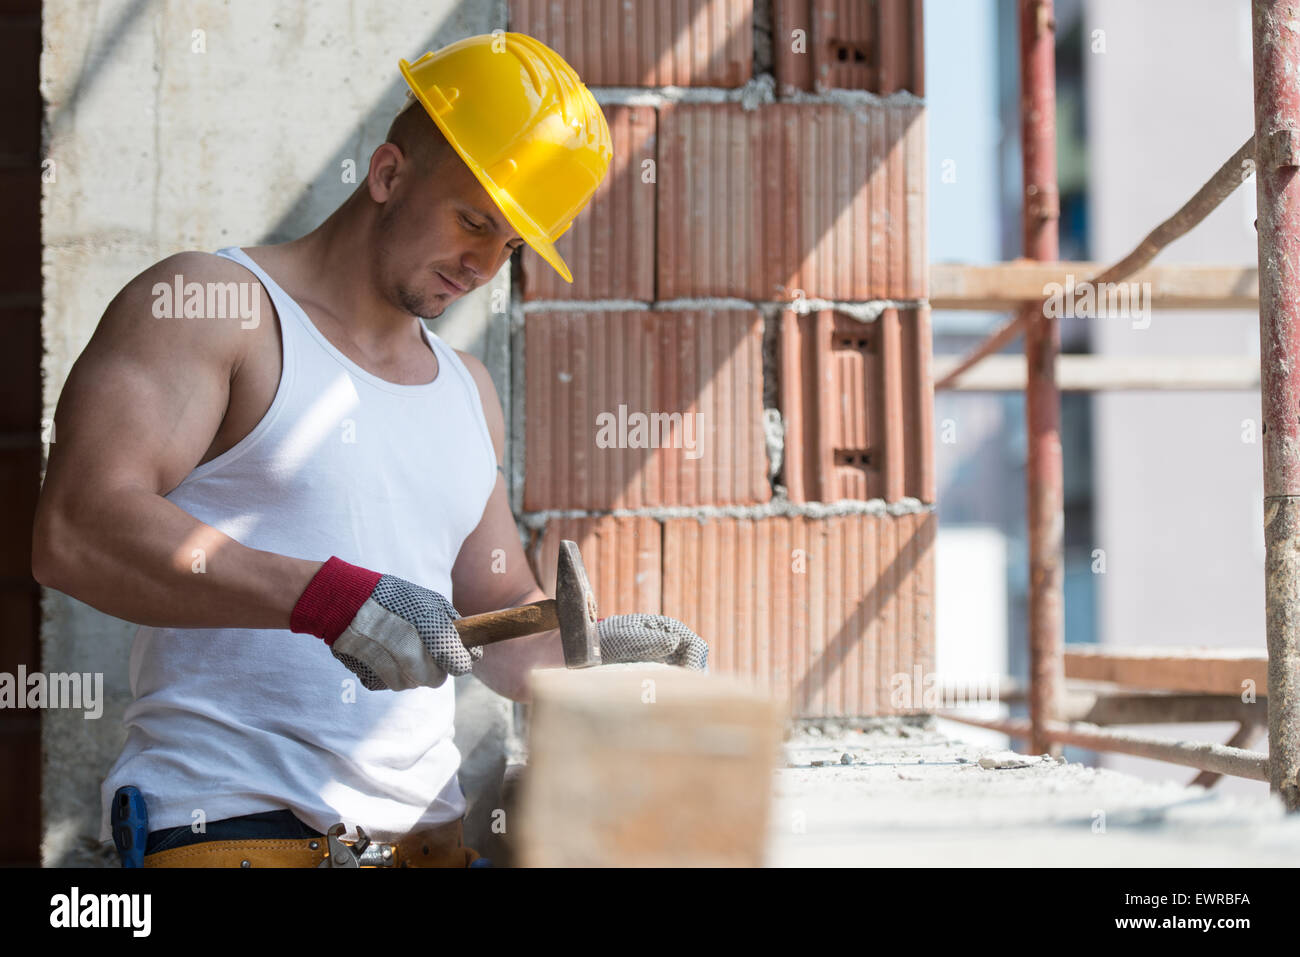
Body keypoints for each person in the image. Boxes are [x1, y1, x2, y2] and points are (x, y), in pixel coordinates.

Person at [32, 32, 707, 868]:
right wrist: (326, 597)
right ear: (387, 174)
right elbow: (75, 530)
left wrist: (588, 654)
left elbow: (493, 618)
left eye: (511, 245)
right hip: (234, 830)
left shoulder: (466, 391)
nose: (483, 263)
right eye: (473, 221)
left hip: (429, 843)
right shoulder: (214, 309)